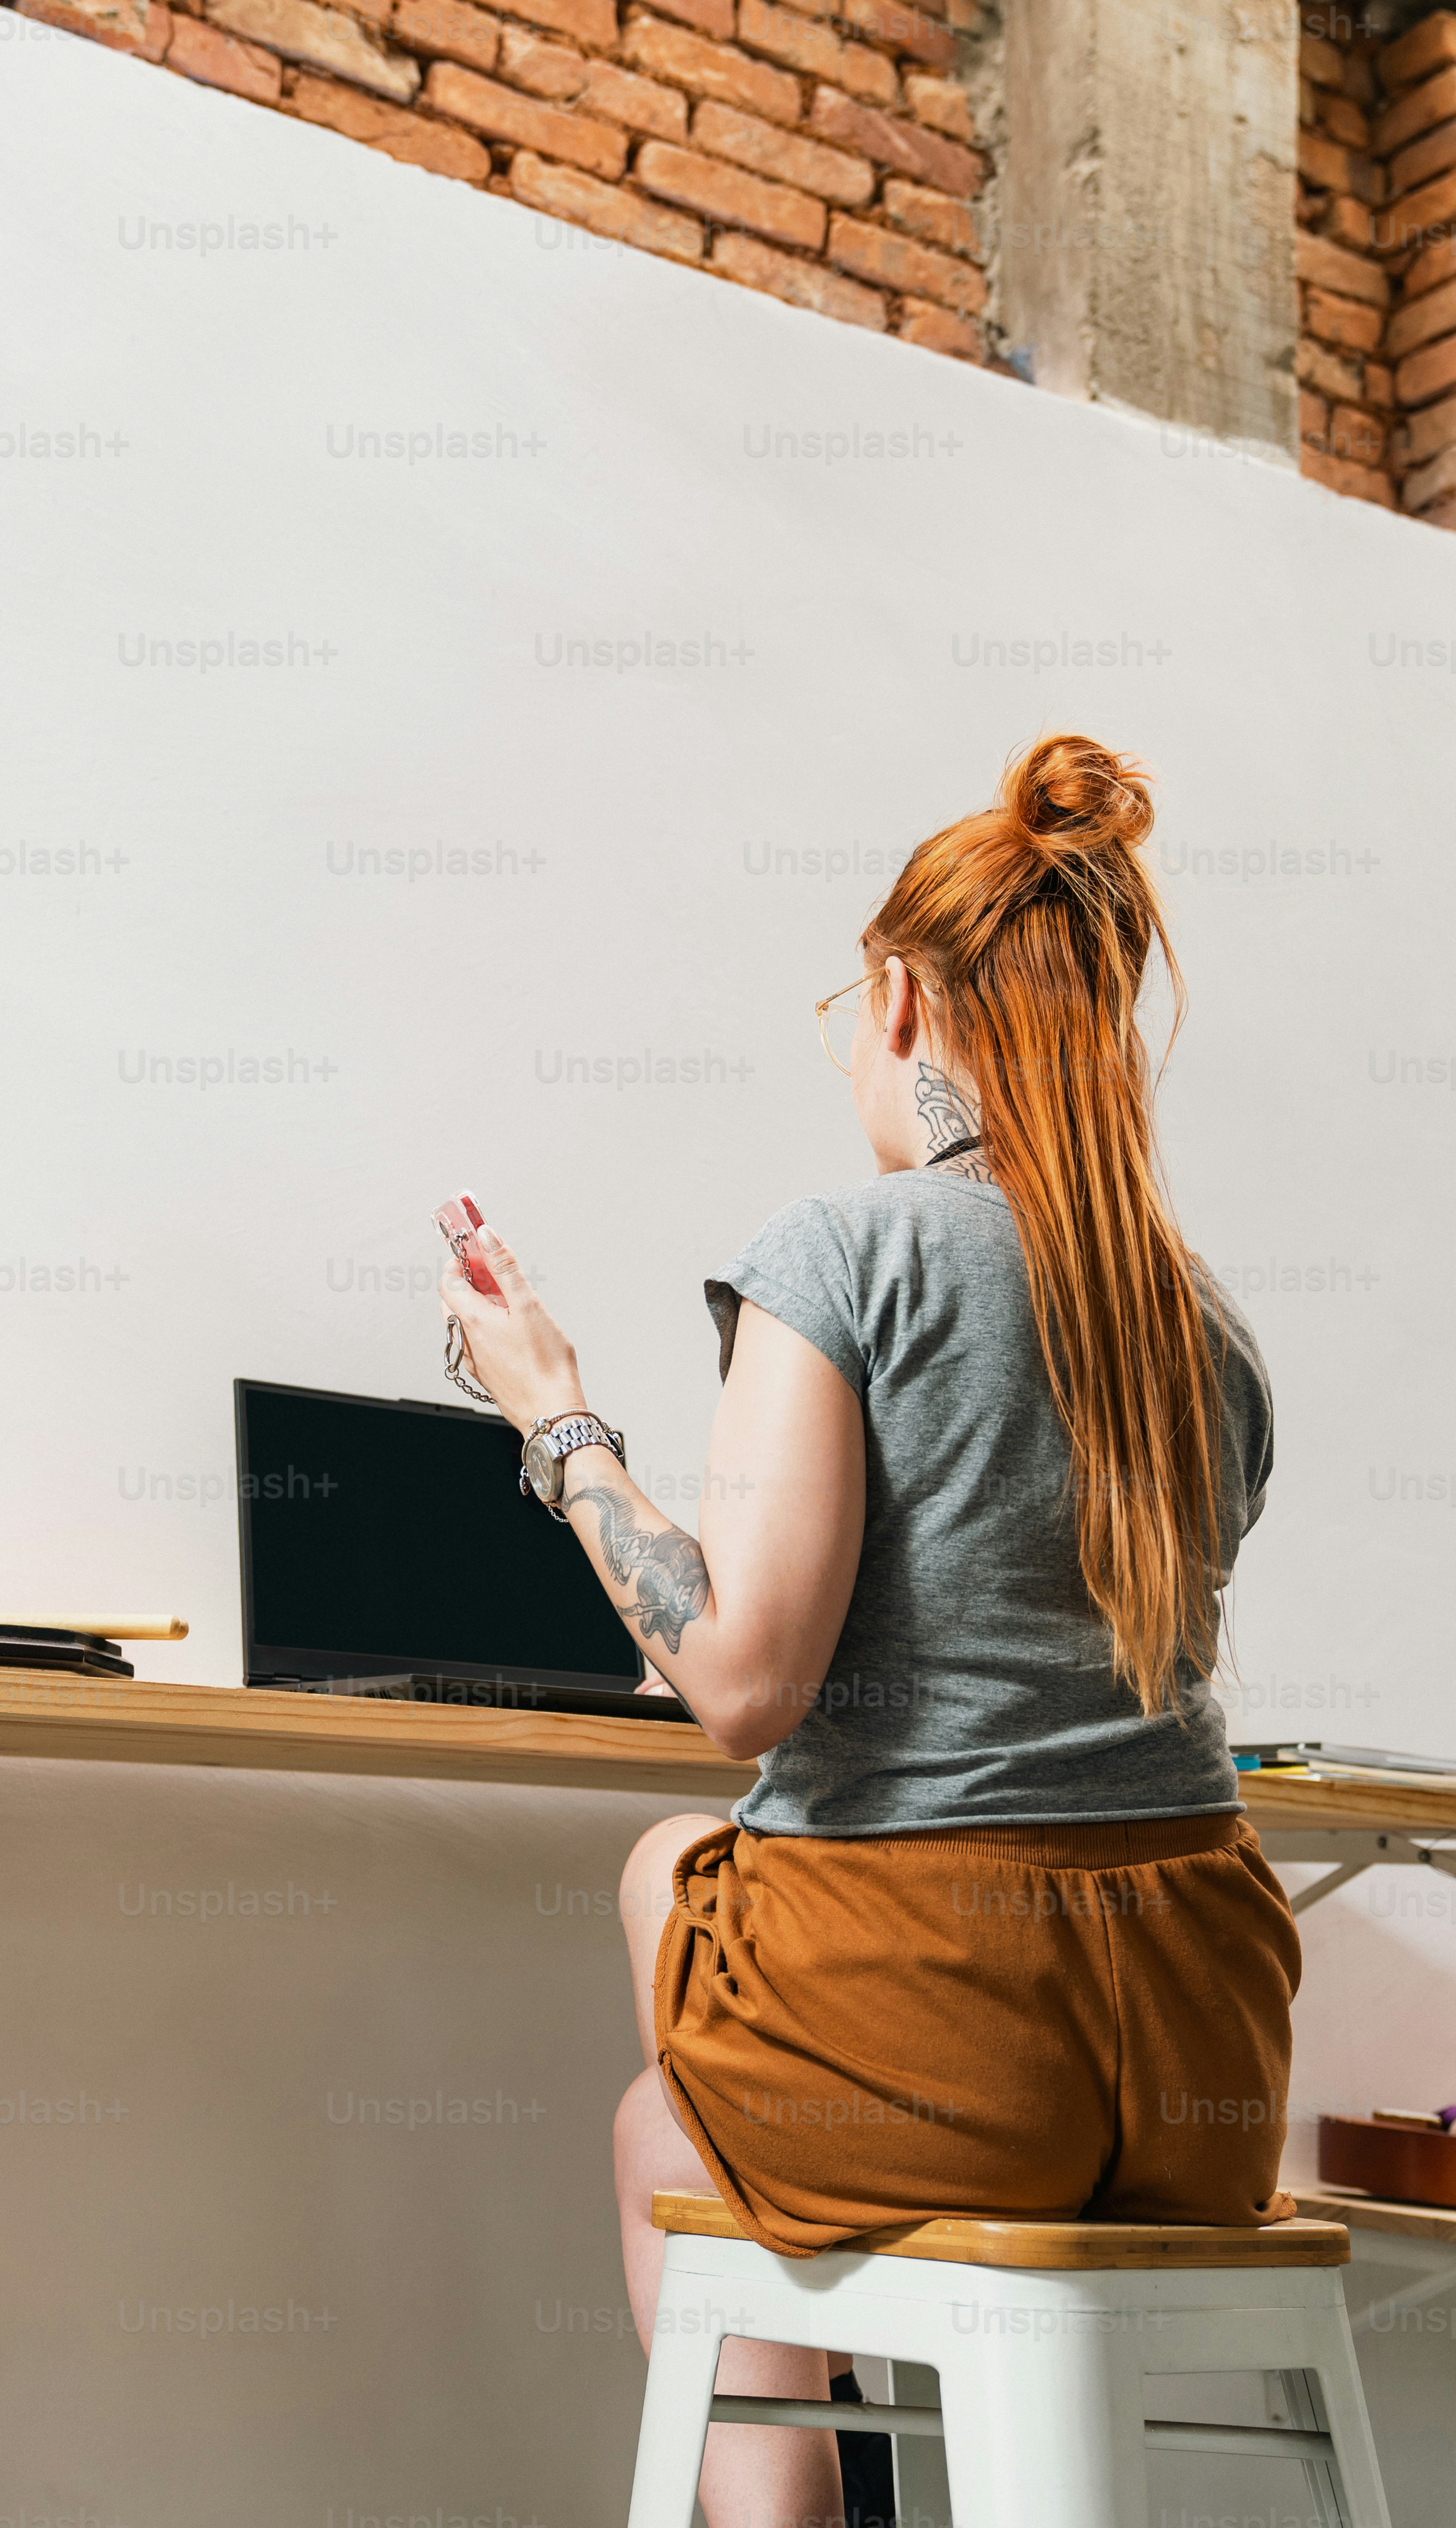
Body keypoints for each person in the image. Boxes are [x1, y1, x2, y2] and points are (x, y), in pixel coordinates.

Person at [437, 734, 1301, 2528]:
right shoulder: (1203, 1320)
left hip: (960, 2038)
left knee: (668, 1946)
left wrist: (555, 1413)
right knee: (704, 2015)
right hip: (1207, 2068)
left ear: (901, 998)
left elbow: (744, 1685)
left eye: (850, 1008)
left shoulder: (847, 1252)